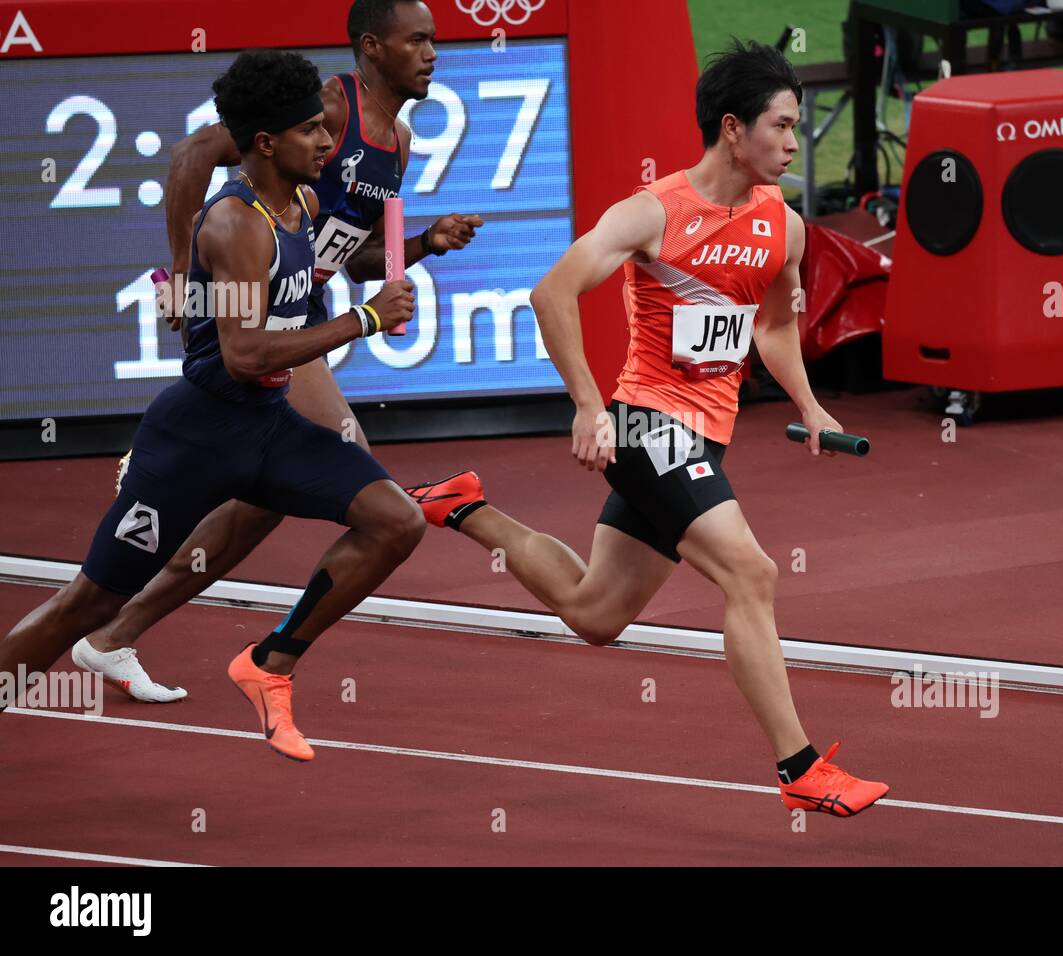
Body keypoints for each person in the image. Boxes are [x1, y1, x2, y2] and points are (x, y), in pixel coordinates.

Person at [408, 41, 890, 816]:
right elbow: (551, 293)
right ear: (733, 129)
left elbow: (769, 326)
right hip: (645, 423)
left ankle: (464, 506)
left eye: (798, 127)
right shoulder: (651, 213)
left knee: (595, 614)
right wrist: (590, 406)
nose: (796, 144)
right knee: (752, 573)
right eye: (783, 126)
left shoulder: (784, 227)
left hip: (707, 437)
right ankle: (800, 767)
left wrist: (808, 405)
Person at [0, 49, 427, 763]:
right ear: (266, 143)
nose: (328, 143)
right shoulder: (235, 223)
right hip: (197, 436)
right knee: (88, 603)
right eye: (312, 132)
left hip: (269, 429)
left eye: (326, 129)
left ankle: (269, 660)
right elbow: (247, 355)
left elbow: (315, 296)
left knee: (394, 520)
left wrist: (419, 249)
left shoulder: (306, 205)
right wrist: (368, 320)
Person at [72, 0, 481, 702]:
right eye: (417, 40)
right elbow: (194, 153)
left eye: (434, 41)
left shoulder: (400, 142)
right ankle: (178, 599)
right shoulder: (329, 107)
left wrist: (421, 246)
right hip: (257, 322)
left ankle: (114, 634)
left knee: (265, 499)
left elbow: (351, 263)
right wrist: (182, 276)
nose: (432, 53)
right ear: (372, 48)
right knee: (354, 478)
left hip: (302, 314)